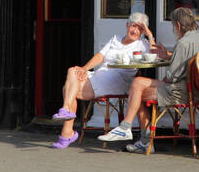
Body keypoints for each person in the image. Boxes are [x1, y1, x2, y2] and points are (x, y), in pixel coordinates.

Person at [100, 6, 199, 152]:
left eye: (172, 25)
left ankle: (134, 133)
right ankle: (133, 132)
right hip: (196, 90)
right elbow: (189, 60)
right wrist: (169, 56)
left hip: (180, 92)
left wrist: (163, 79)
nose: (172, 29)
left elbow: (172, 76)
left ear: (177, 25)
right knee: (137, 86)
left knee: (136, 90)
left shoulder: (183, 43)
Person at [49, 12, 151, 149]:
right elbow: (100, 56)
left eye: (140, 28)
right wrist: (84, 69)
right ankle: (66, 116)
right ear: (127, 25)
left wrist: (149, 35)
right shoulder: (116, 39)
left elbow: (155, 53)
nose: (135, 30)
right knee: (72, 71)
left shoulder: (142, 44)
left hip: (118, 81)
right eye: (133, 26)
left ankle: (67, 128)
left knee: (68, 90)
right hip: (100, 75)